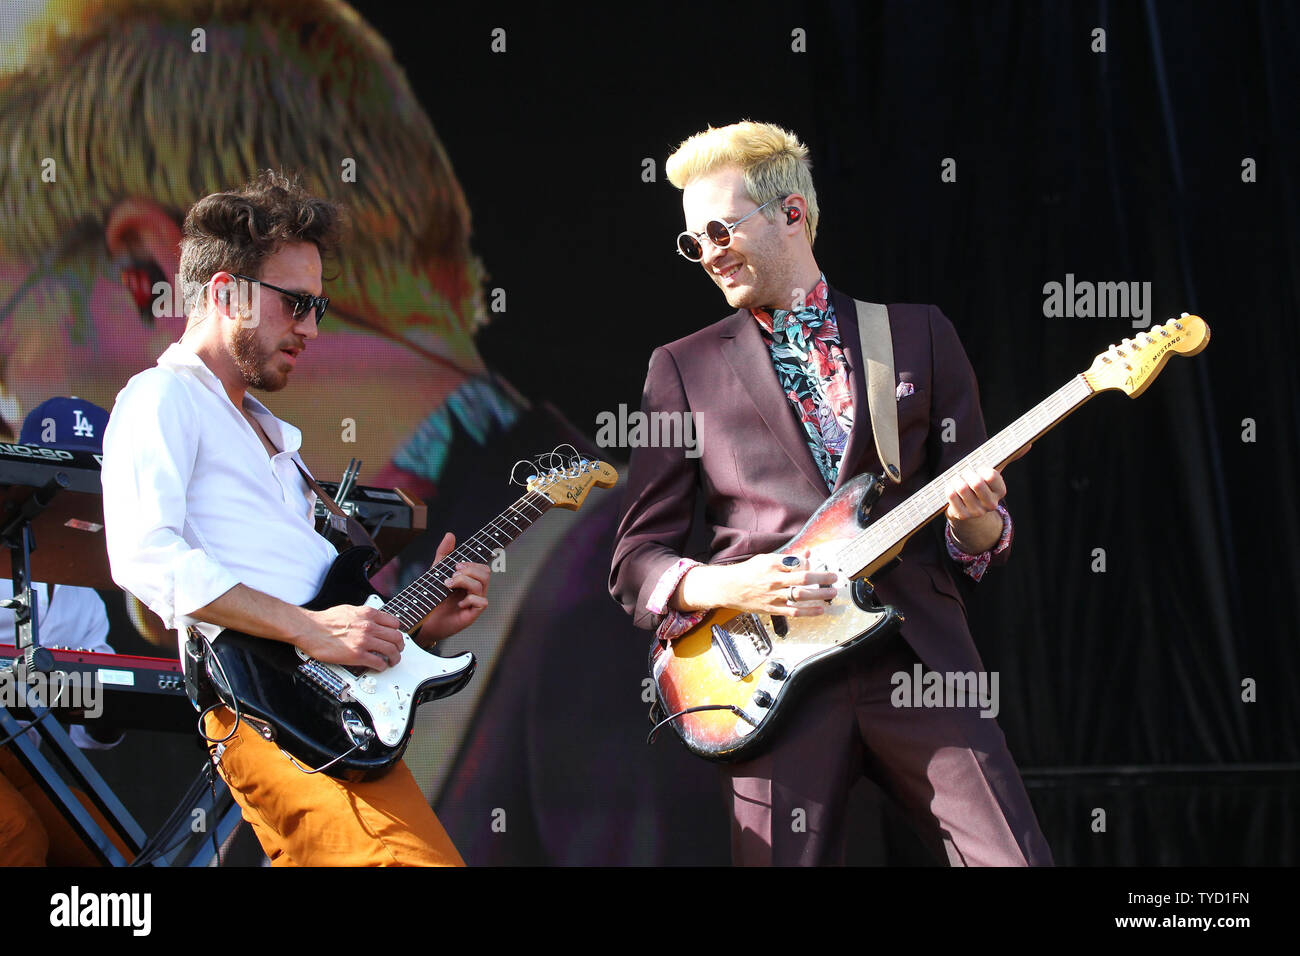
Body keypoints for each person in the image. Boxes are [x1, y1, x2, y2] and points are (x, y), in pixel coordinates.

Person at [610, 121, 1053, 866]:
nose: (709, 253)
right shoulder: (682, 368)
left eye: (721, 228)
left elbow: (979, 542)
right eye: (694, 241)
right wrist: (735, 583)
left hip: (914, 659)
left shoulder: (917, 335)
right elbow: (634, 561)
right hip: (768, 676)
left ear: (792, 212)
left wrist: (976, 523)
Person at [100, 171, 491, 866]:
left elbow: (319, 602)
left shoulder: (275, 438)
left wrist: (413, 623)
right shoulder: (161, 396)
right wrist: (312, 628)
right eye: (296, 304)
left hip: (338, 721)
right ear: (225, 292)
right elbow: (143, 556)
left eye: (320, 306)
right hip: (266, 712)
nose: (310, 327)